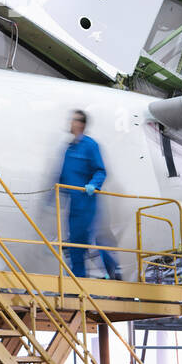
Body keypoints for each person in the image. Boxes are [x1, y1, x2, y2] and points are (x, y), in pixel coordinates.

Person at [59, 110, 122, 280]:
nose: (70, 123)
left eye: (73, 120)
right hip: (74, 206)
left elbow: (100, 170)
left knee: (95, 240)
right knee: (75, 246)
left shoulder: (90, 145)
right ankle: (78, 282)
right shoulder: (70, 148)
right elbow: (62, 176)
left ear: (81, 124)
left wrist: (93, 185)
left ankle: (114, 274)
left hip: (87, 202)